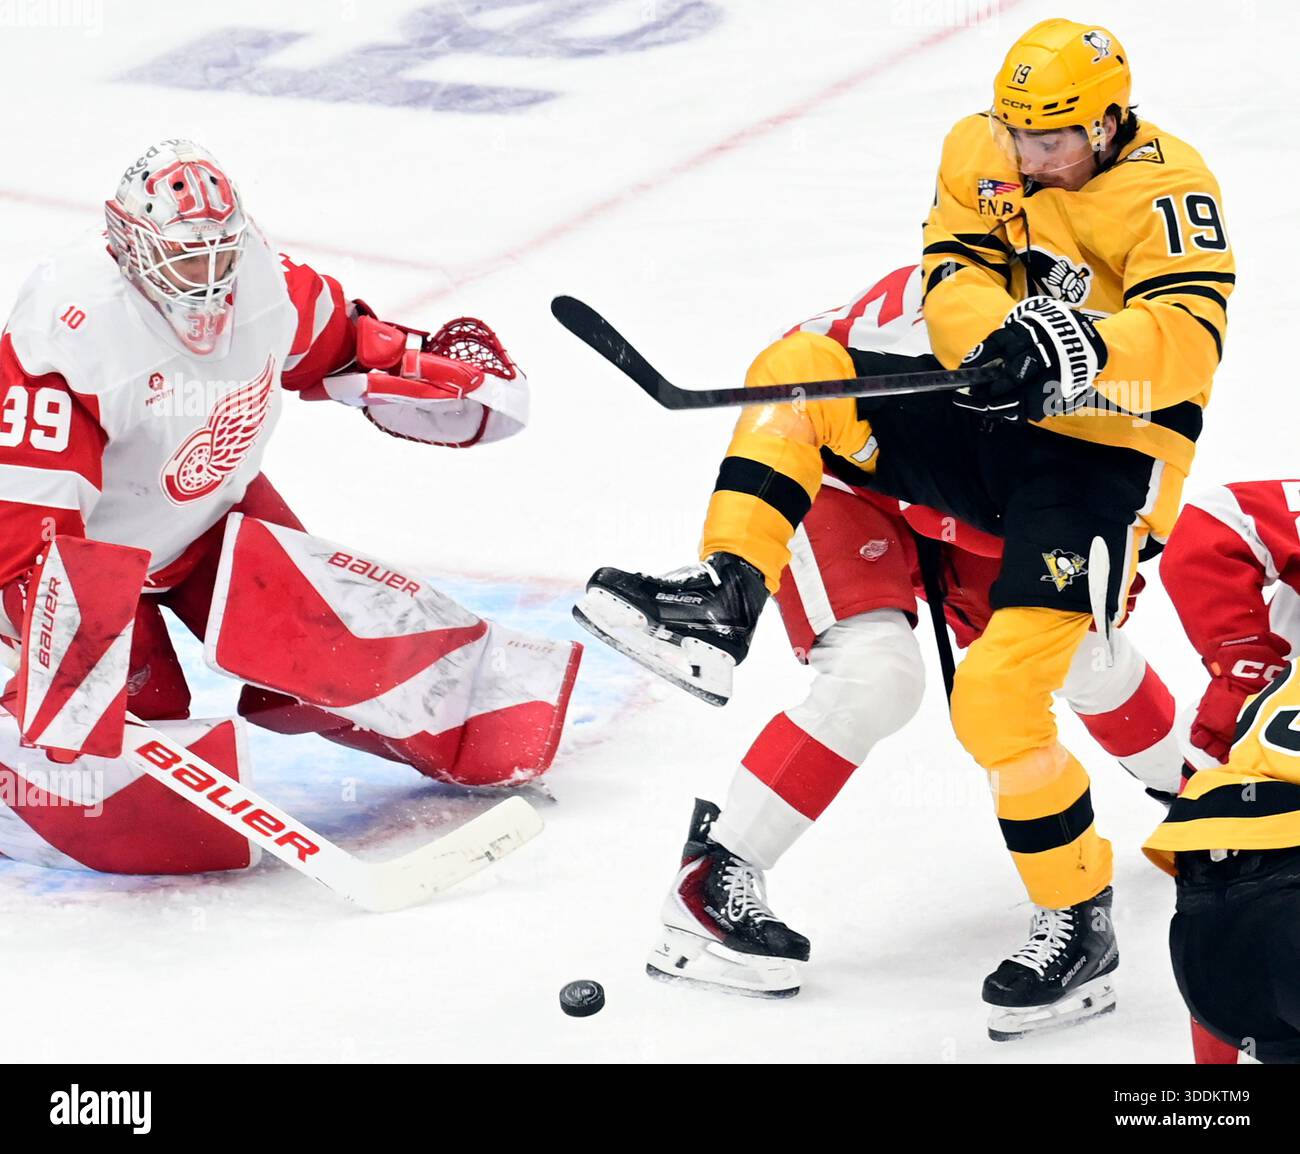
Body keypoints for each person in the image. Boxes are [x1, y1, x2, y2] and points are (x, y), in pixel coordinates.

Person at [575, 18, 1232, 1038]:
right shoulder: (979, 155)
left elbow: (1187, 345)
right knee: (870, 666)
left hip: (1101, 445)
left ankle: (1143, 854)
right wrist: (998, 345)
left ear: (1109, 123)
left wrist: (1071, 350)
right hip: (951, 434)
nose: (1029, 158)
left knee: (1040, 676)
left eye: (1054, 139)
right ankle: (721, 598)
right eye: (1018, 135)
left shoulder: (1166, 191)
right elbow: (955, 266)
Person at [0, 139, 579, 876]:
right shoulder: (70, 328)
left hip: (212, 521)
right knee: (128, 760)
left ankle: (494, 728)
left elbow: (345, 344)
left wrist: (419, 368)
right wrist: (51, 655)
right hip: (83, 563)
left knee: (338, 643)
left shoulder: (267, 285)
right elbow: (26, 521)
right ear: (127, 245)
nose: (210, 282)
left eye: (221, 254)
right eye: (186, 259)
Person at [1145, 479, 1300, 1063]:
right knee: (1228, 918)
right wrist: (1247, 667)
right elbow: (1219, 519)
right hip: (1253, 765)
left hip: (1250, 764)